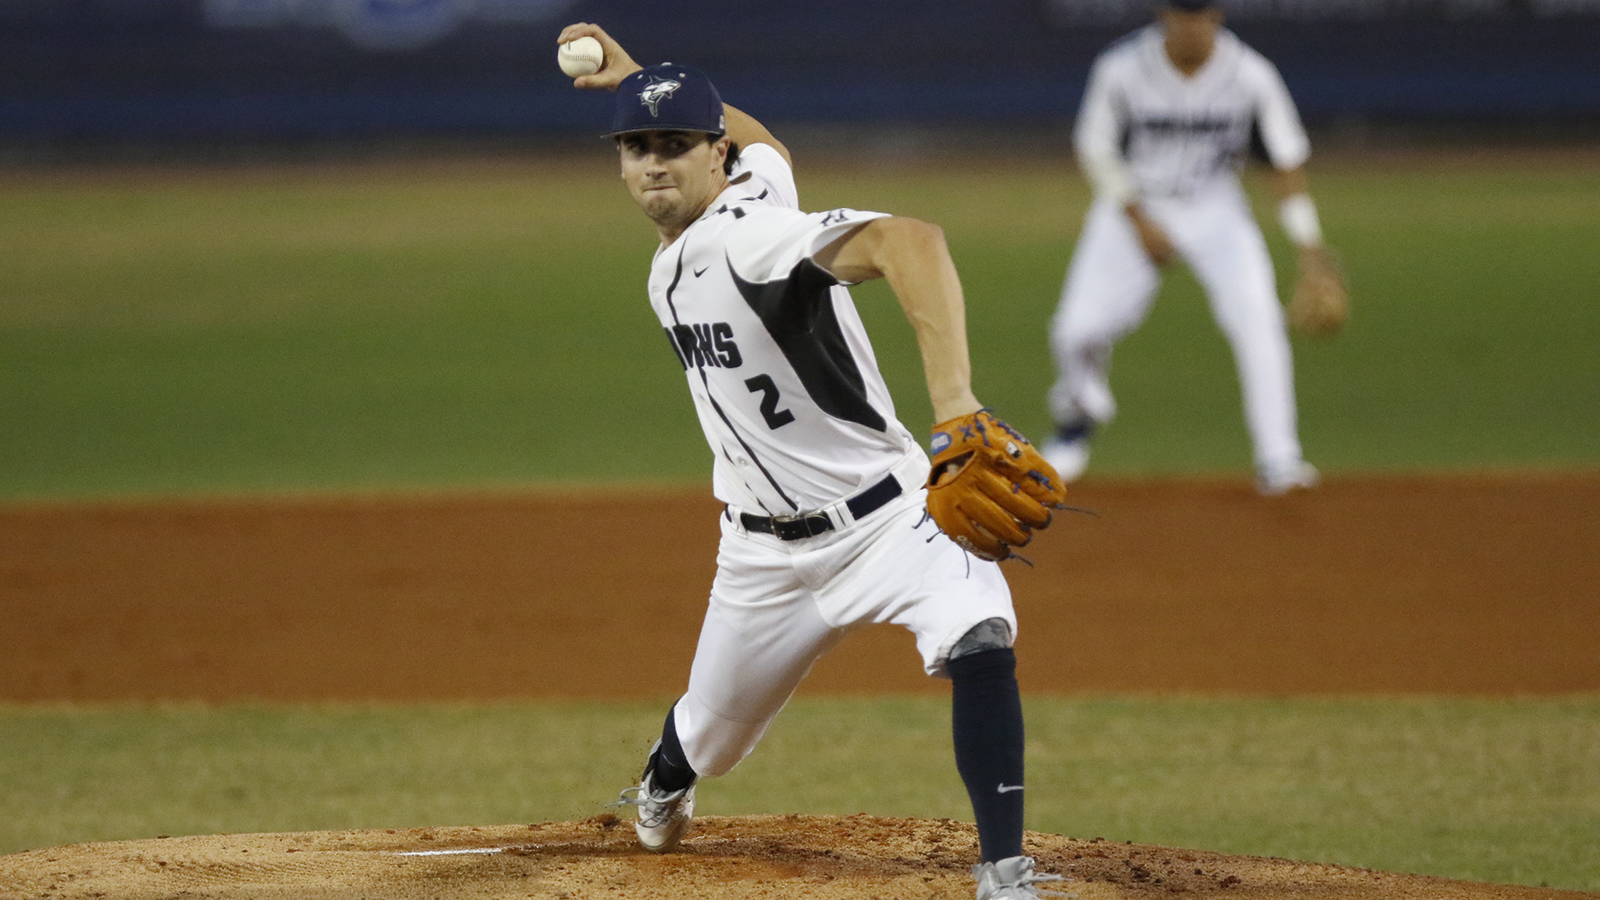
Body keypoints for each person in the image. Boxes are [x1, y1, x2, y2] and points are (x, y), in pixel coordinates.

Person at [558, 21, 1070, 900]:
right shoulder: (739, 189)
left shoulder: (748, 240)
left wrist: (955, 405)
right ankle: (665, 781)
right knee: (713, 737)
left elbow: (913, 240)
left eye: (675, 145)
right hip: (759, 556)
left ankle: (1005, 871)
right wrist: (643, 81)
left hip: (889, 520)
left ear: (712, 157)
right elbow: (772, 146)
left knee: (980, 635)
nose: (653, 163)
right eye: (637, 146)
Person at [1041, 0, 1338, 495]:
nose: (1193, 25)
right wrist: (1139, 220)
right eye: (1183, 14)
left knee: (1259, 323)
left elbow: (1285, 161)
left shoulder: (1250, 74)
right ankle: (1078, 419)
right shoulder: (1121, 69)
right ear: (1164, 17)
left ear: (1217, 17)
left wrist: (1309, 246)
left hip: (1217, 209)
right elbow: (1095, 149)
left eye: (1201, 14)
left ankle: (1279, 458)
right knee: (1076, 331)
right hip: (1134, 205)